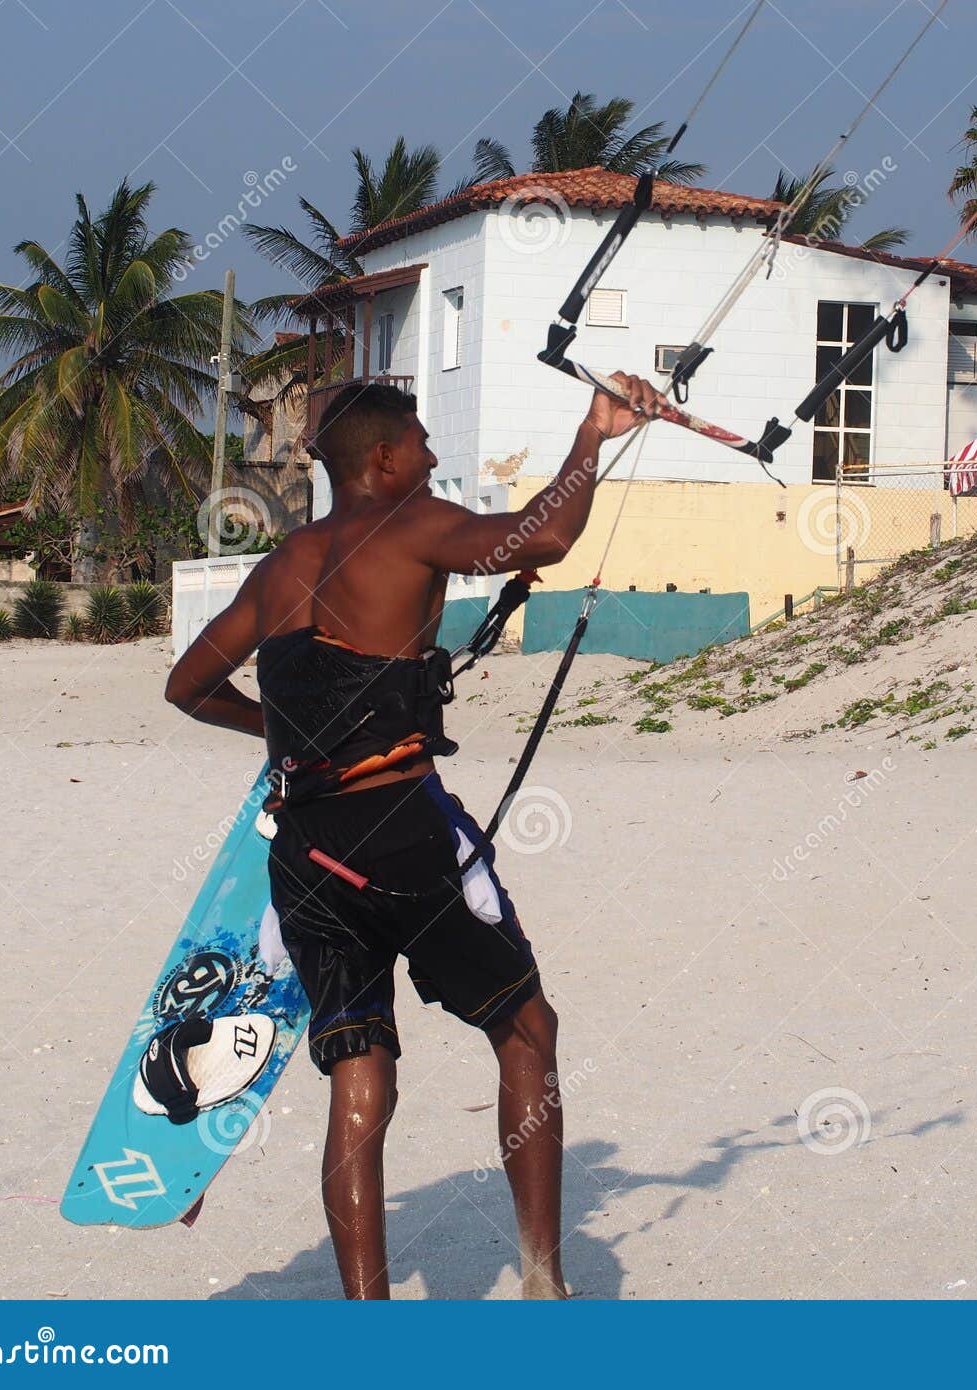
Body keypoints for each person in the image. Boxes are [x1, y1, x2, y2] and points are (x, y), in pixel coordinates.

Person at [164, 373, 664, 1298]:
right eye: (424, 442)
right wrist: (592, 435)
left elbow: (187, 686)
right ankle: (544, 1282)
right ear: (386, 458)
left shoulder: (279, 565)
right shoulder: (412, 523)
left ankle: (370, 1324)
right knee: (527, 1028)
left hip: (304, 845)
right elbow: (546, 536)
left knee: (361, 1072)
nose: (435, 457)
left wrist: (299, 741)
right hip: (402, 831)